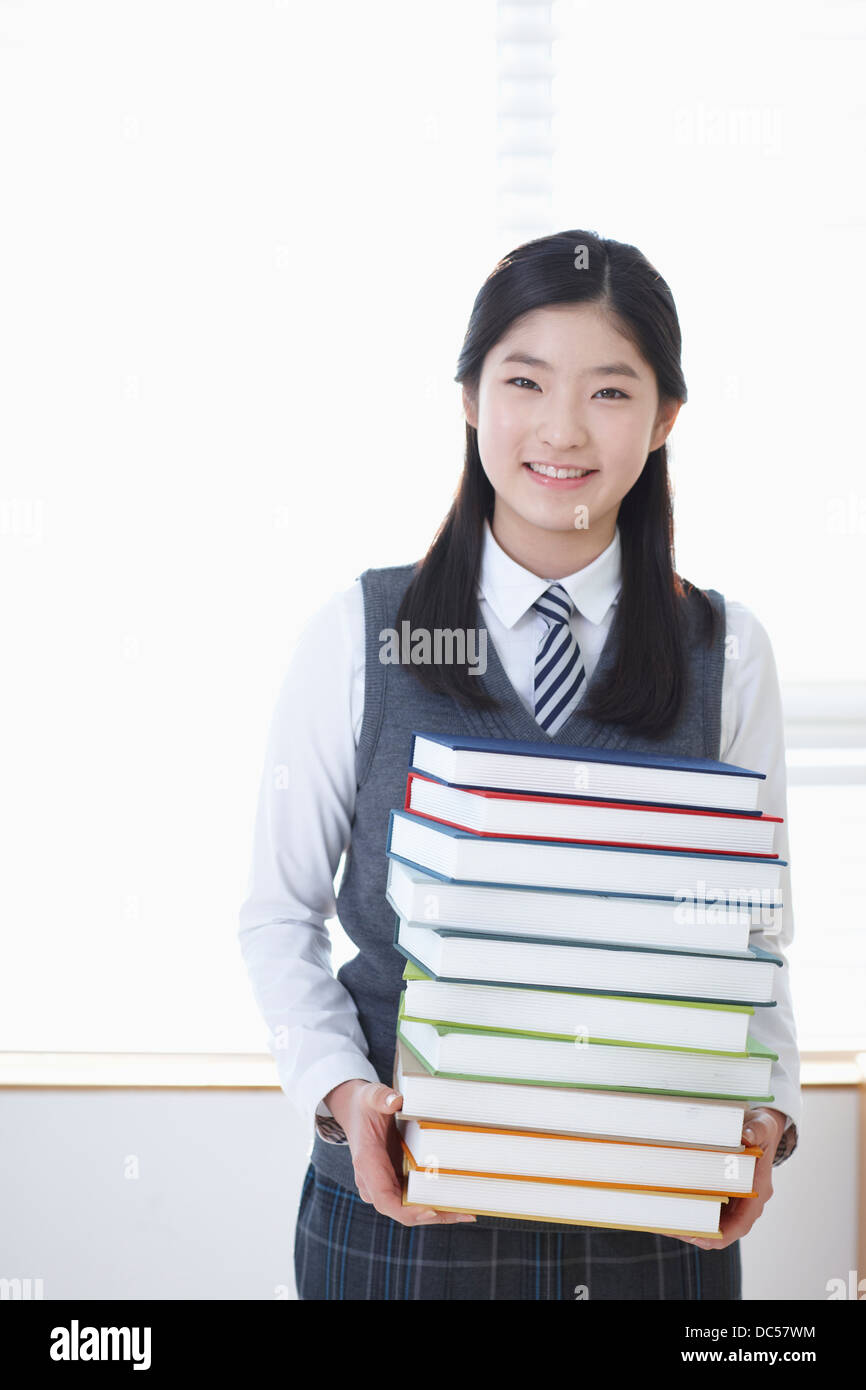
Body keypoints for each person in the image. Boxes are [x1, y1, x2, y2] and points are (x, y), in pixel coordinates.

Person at [238, 229, 800, 1300]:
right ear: (467, 397)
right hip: (400, 1210)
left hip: (652, 1218)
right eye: (523, 381)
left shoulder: (726, 654)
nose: (559, 430)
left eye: (607, 391)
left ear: (665, 416)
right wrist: (346, 1097)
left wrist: (764, 1119)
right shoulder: (362, 633)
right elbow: (276, 915)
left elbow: (752, 938)